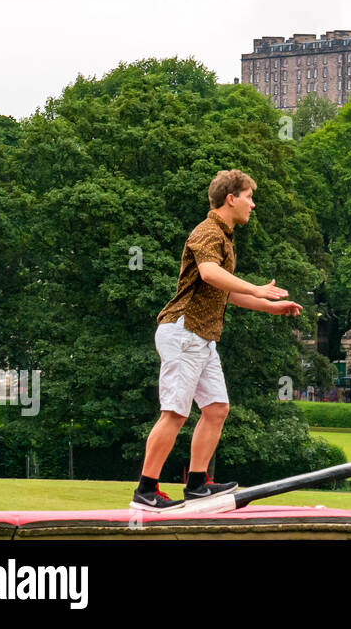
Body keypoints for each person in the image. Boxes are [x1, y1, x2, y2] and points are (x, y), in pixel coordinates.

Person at [130, 169, 303, 510]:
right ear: (231, 198)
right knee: (175, 414)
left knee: (216, 409)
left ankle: (196, 484)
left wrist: (270, 306)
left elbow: (227, 291)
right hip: (184, 331)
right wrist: (256, 287)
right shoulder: (207, 232)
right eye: (249, 197)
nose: (253, 205)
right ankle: (145, 491)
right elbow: (210, 273)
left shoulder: (225, 237)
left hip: (203, 337)